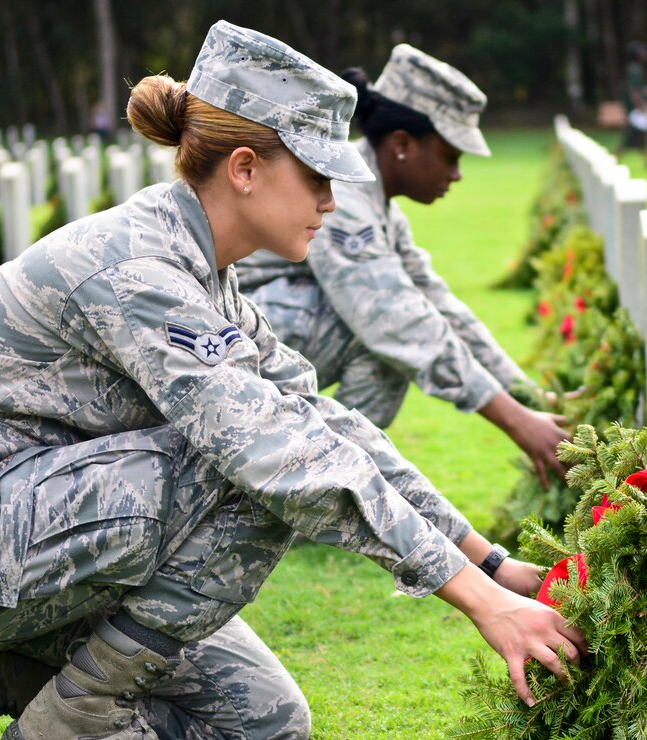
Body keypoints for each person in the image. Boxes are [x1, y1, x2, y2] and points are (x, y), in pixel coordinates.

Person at [0, 20, 585, 740]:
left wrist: (496, 567)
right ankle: (82, 718)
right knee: (265, 461)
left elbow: (328, 419)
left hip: (33, 530)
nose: (334, 202)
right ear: (244, 169)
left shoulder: (209, 270)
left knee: (260, 720)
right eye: (317, 178)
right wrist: (480, 607)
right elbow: (281, 450)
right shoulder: (140, 265)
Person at [236, 45, 569, 488]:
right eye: (451, 156)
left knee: (405, 325)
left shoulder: (381, 209)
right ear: (402, 145)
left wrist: (526, 396)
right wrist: (515, 421)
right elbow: (399, 322)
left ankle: (320, 480)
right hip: (229, 348)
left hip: (266, 340)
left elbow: (440, 305)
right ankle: (315, 483)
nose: (457, 174)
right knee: (387, 340)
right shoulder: (345, 201)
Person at [617, 41, 647, 170]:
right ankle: (614, 159)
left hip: (634, 109)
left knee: (639, 137)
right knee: (633, 136)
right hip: (635, 110)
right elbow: (634, 91)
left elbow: (637, 89)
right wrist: (640, 107)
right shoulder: (635, 69)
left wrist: (646, 90)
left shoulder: (634, 68)